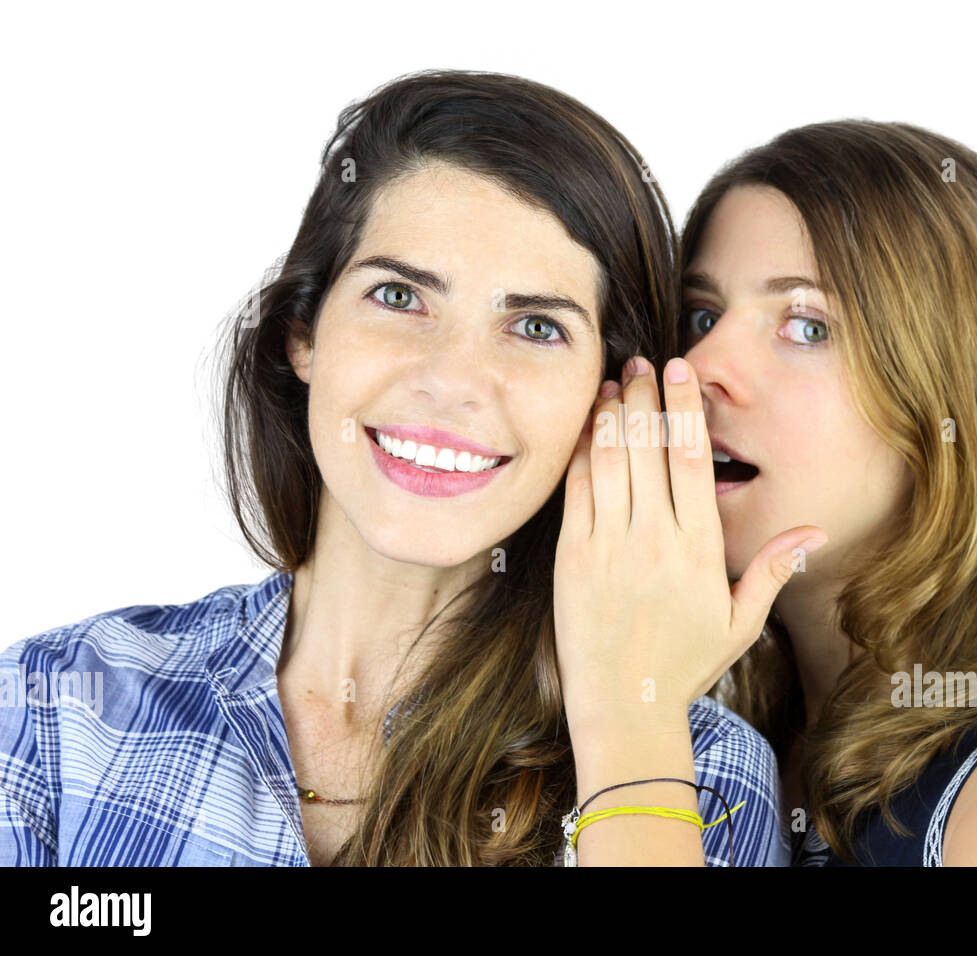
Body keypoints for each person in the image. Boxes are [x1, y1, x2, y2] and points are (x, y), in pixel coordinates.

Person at [0, 69, 788, 867]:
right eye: (401, 297)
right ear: (302, 332)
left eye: (538, 327)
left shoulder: (697, 780)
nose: (451, 380)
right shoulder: (54, 706)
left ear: (611, 401)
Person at [598, 119, 977, 865]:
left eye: (807, 326)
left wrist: (631, 715)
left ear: (956, 395)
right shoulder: (733, 748)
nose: (696, 366)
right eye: (701, 315)